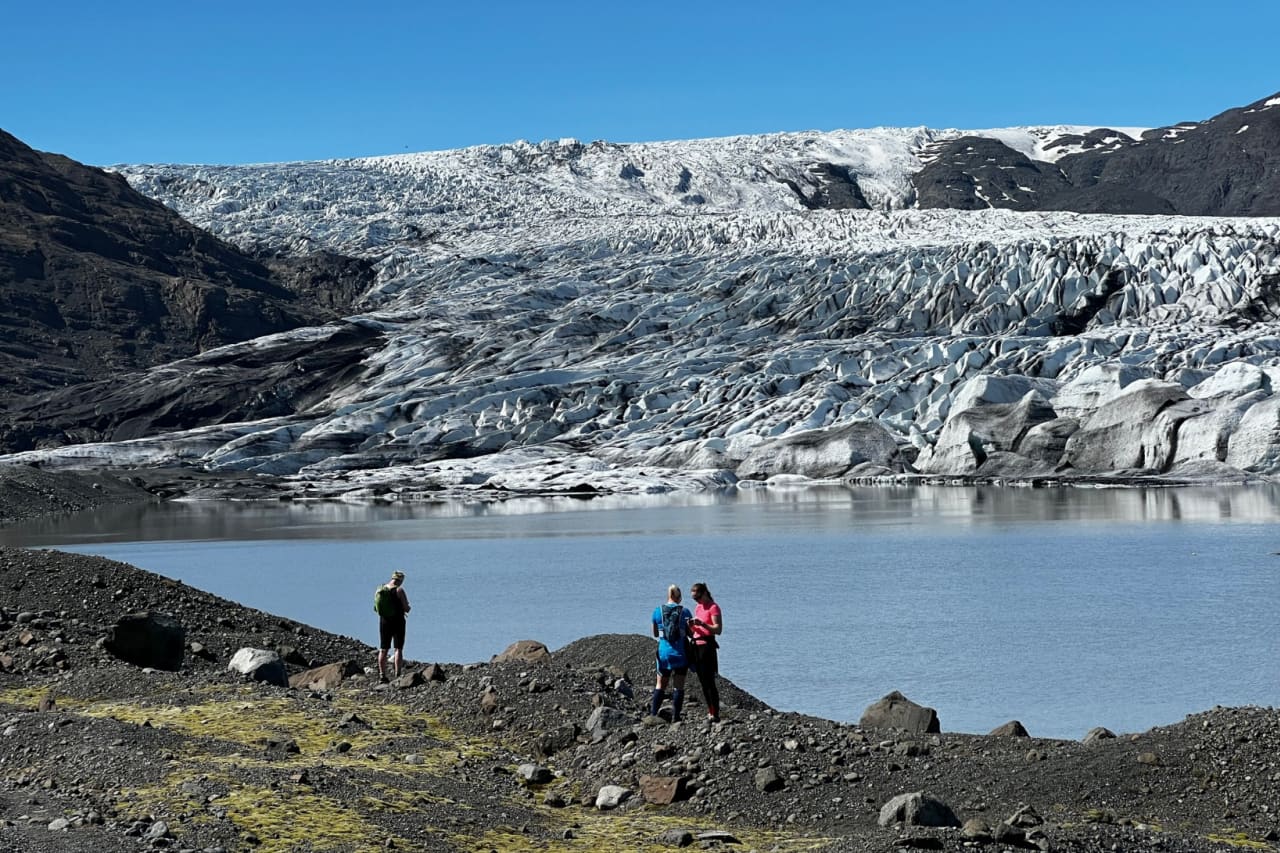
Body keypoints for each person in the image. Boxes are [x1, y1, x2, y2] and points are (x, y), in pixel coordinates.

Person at [650, 584, 693, 723]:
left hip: (663, 653)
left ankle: (653, 714)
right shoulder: (685, 612)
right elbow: (691, 633)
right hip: (680, 653)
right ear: (678, 597)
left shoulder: (657, 611)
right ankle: (676, 717)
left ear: (668, 595)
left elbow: (656, 634)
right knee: (678, 686)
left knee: (660, 684)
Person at [689, 582, 723, 721]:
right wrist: (692, 626)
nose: (696, 601)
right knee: (702, 681)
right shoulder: (698, 607)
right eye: (694, 599)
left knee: (709, 681)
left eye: (697, 598)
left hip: (707, 646)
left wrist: (702, 624)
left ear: (704, 594)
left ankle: (715, 713)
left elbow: (718, 629)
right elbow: (696, 630)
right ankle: (710, 710)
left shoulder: (713, 607)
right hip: (696, 644)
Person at [376, 570, 411, 682]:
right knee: (398, 648)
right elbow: (406, 608)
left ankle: (382, 674)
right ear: (400, 580)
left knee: (383, 649)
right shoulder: (399, 590)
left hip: (384, 621)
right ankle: (398, 673)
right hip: (398, 621)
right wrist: (407, 607)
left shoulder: (381, 589)